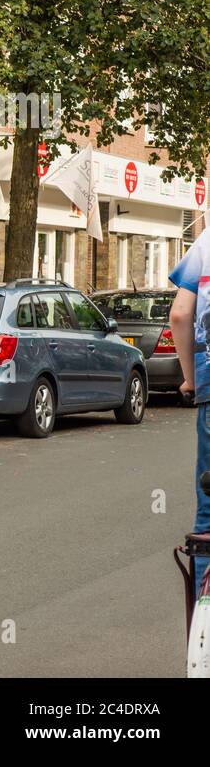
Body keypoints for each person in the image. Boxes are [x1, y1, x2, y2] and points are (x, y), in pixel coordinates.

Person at [168, 236, 210, 586]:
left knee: (208, 517)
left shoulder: (206, 243)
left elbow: (180, 314)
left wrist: (191, 379)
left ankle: (203, 625)